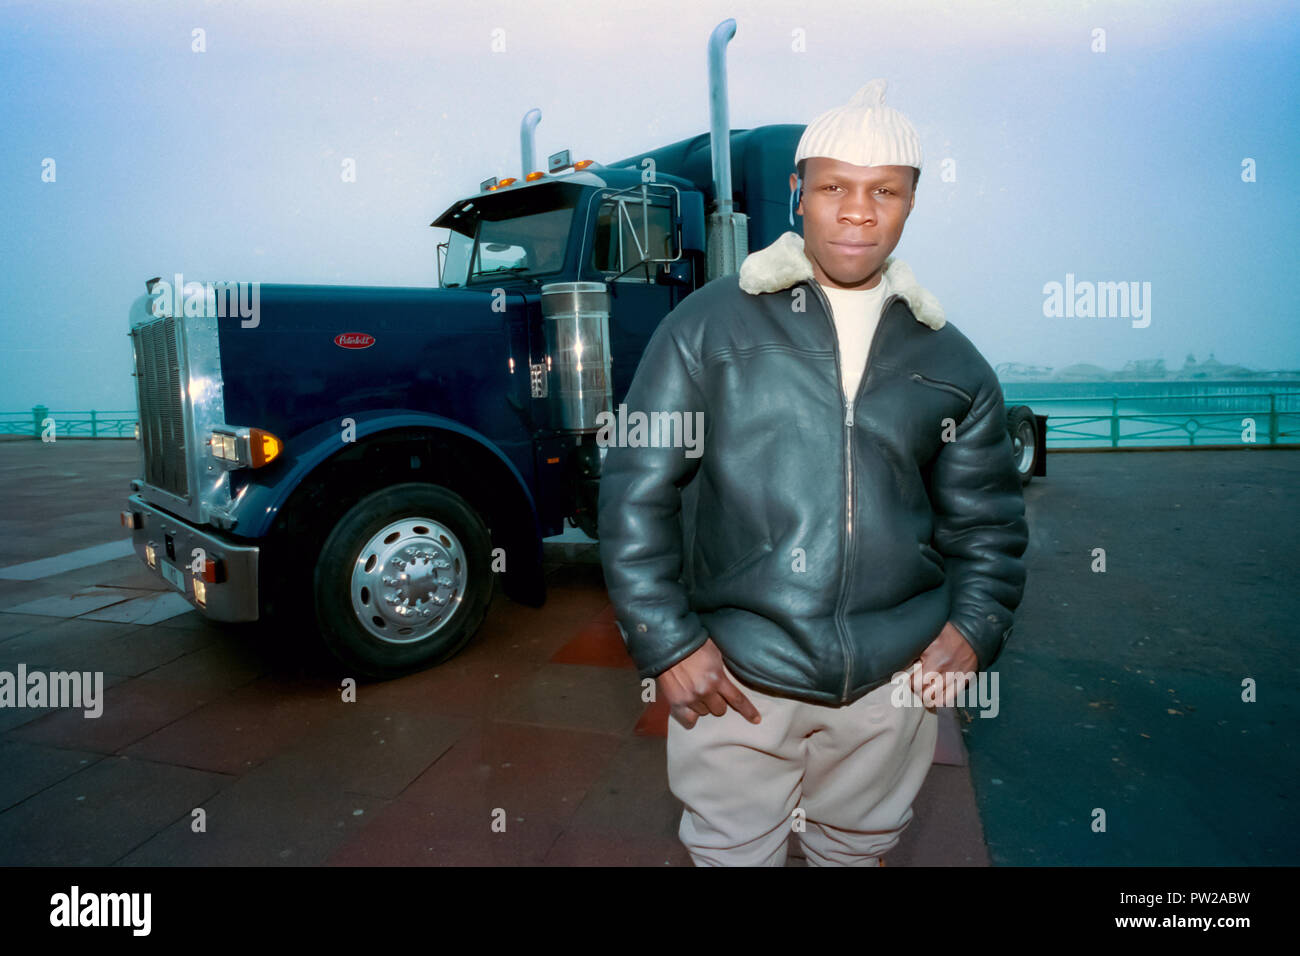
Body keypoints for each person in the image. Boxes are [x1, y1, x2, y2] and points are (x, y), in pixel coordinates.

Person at [597, 79, 1029, 866]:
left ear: (909, 204)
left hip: (893, 679)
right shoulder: (703, 325)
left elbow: (989, 522)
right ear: (798, 194)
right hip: (736, 670)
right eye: (834, 186)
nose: (858, 210)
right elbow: (635, 489)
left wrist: (975, 629)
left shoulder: (953, 361)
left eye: (883, 191)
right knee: (732, 852)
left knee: (856, 850)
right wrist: (664, 641)